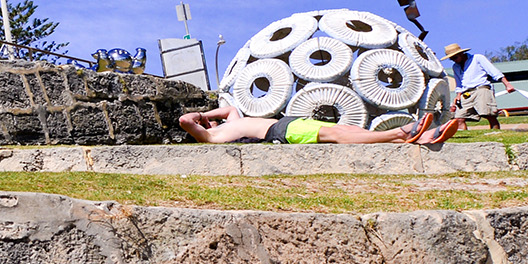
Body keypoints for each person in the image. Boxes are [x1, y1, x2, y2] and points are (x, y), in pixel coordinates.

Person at [175, 106, 459, 146]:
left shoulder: (231, 121)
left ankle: (420, 139)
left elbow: (230, 109)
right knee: (337, 135)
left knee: (349, 128)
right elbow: (184, 121)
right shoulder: (212, 136)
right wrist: (198, 118)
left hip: (289, 123)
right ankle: (402, 131)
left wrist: (206, 111)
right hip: (280, 133)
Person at [444, 43, 509, 130]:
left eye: (455, 57)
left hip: (481, 89)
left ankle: (496, 133)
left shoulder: (478, 58)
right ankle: (465, 140)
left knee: (489, 115)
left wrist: (507, 84)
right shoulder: (455, 67)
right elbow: (459, 83)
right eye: (451, 59)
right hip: (466, 93)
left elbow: (494, 72)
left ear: (461, 53)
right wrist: (458, 95)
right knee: (459, 118)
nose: (453, 60)